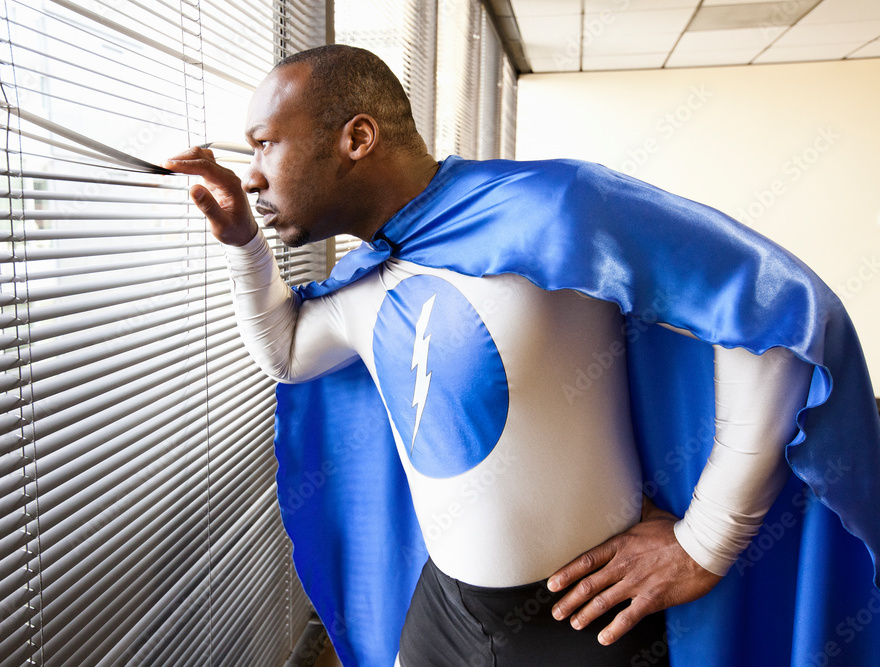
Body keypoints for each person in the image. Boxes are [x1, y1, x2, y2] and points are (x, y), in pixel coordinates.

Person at [166, 45, 880, 667]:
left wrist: (707, 541)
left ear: (357, 137)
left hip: (589, 618)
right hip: (443, 614)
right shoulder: (371, 277)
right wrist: (242, 244)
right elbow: (287, 351)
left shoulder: (555, 208)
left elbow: (773, 311)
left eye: (264, 145)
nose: (251, 176)